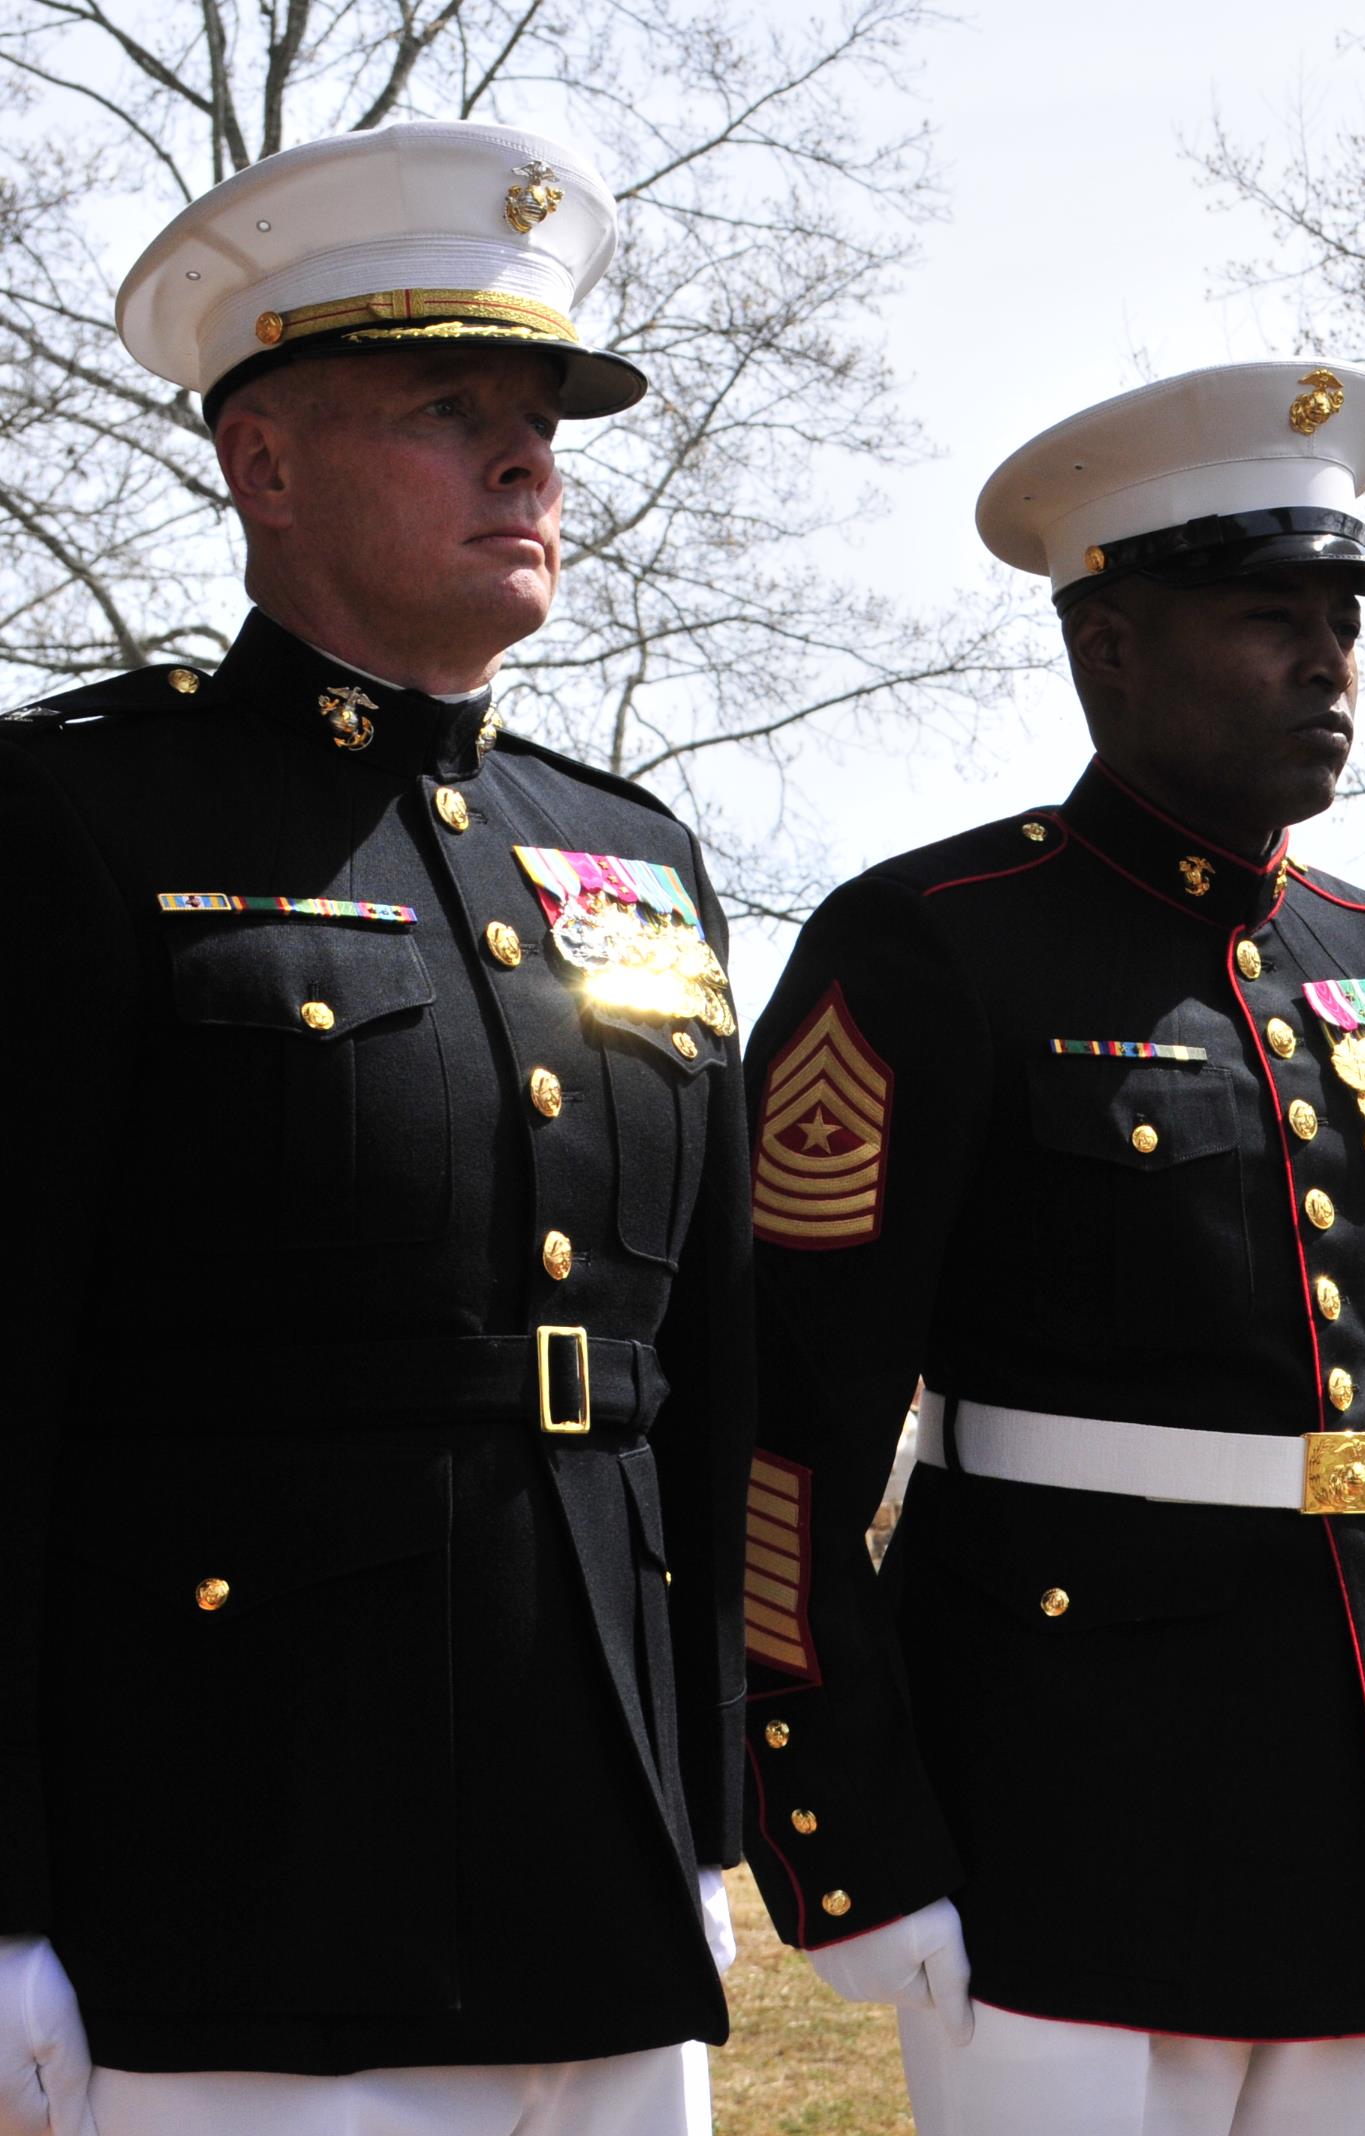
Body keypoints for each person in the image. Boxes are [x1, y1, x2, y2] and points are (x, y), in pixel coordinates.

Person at [0, 121, 750, 2136]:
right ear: (267, 464)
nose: (530, 462)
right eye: (451, 407)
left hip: (599, 1868)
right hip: (237, 1885)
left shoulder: (635, 862)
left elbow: (707, 1385)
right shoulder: (76, 826)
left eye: (543, 417)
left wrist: (708, 1802)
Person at [735, 361, 1365, 2136]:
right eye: (1262, 617)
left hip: (1360, 1777)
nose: (1324, 663)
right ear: (1109, 648)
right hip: (1057, 1780)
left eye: (1341, 620)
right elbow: (785, 1423)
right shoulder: (930, 945)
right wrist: (840, 1821)